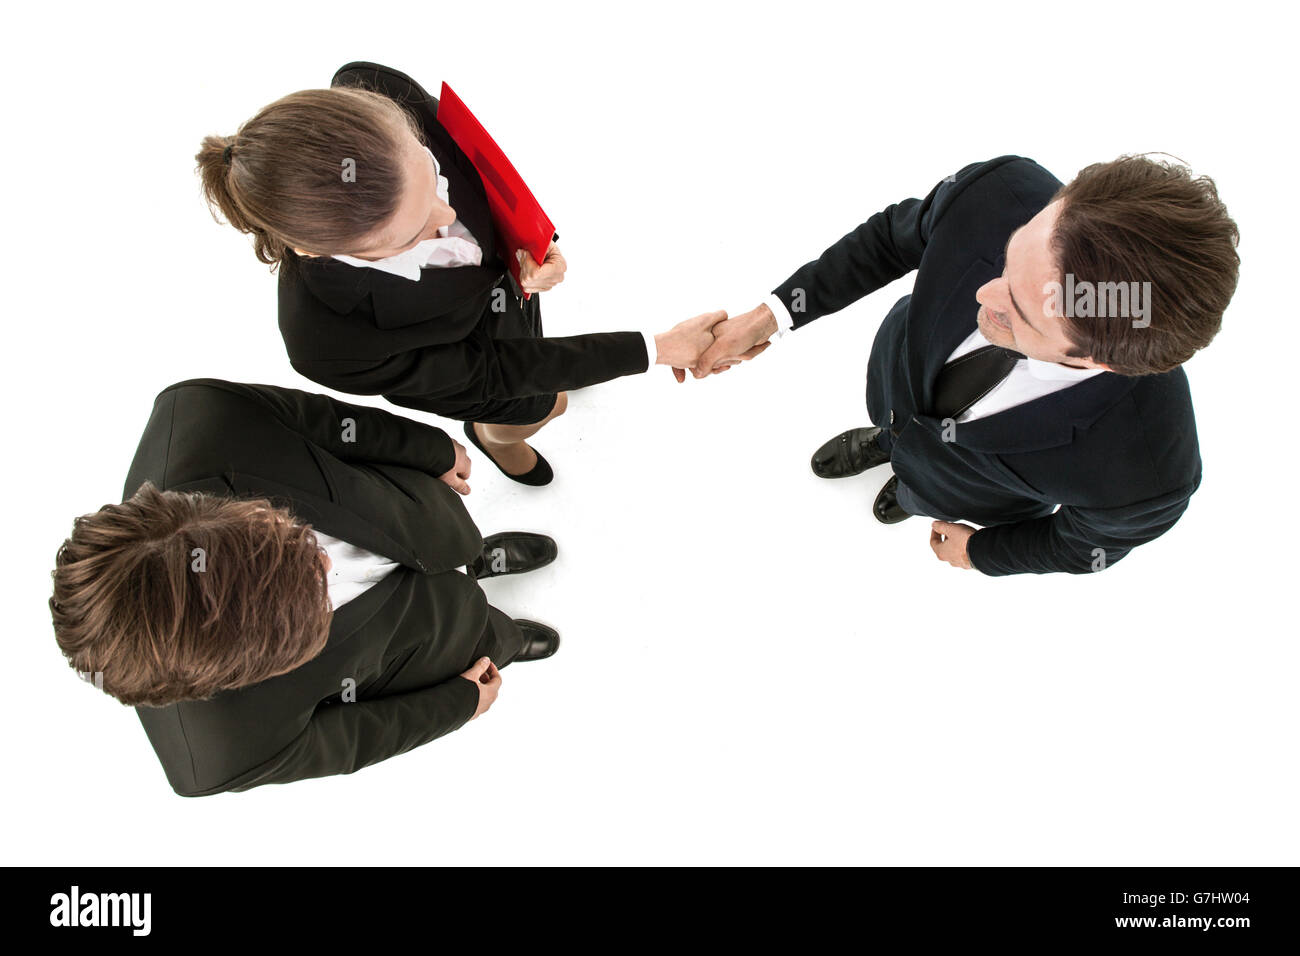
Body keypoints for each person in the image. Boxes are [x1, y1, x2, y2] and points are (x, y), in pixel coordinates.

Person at [696, 155, 1239, 575]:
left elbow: (1082, 544)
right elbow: (892, 239)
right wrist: (772, 317)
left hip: (965, 492)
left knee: (921, 489)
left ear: (1100, 360)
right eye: (1008, 259)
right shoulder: (1002, 192)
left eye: (1018, 313)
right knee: (895, 427)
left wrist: (982, 551)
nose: (984, 295)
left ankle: (911, 494)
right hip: (899, 377)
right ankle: (886, 442)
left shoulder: (1146, 474)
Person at [197, 61, 718, 486]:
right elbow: (496, 370)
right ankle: (493, 438)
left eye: (432, 176)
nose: (450, 222)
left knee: (547, 358)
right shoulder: (328, 342)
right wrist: (656, 349)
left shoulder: (375, 87)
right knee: (544, 403)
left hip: (510, 300)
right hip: (474, 367)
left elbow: (483, 169)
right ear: (313, 250)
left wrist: (528, 240)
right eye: (411, 234)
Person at [50, 379, 565, 795]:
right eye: (306, 607)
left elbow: (329, 424)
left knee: (459, 544)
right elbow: (357, 739)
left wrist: (430, 452)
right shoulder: (220, 755)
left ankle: (476, 558)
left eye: (287, 540)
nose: (326, 561)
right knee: (490, 639)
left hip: (416, 518)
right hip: (427, 648)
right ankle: (508, 638)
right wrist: (459, 705)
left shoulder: (199, 418)